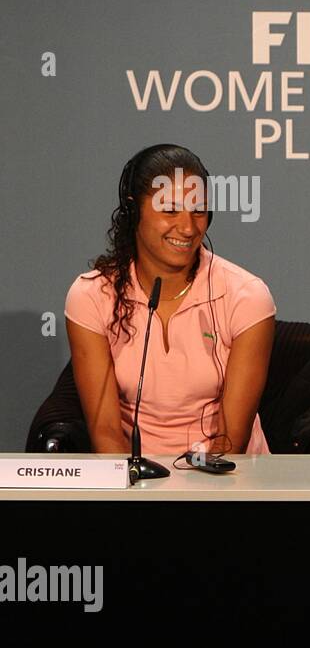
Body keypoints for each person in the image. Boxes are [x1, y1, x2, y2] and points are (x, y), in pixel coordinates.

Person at [64, 144, 276, 457]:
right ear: (134, 210)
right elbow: (105, 432)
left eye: (199, 211)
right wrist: (137, 496)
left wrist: (195, 497)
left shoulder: (246, 296)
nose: (189, 228)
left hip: (225, 483)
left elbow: (232, 440)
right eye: (170, 209)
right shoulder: (92, 296)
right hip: (138, 484)